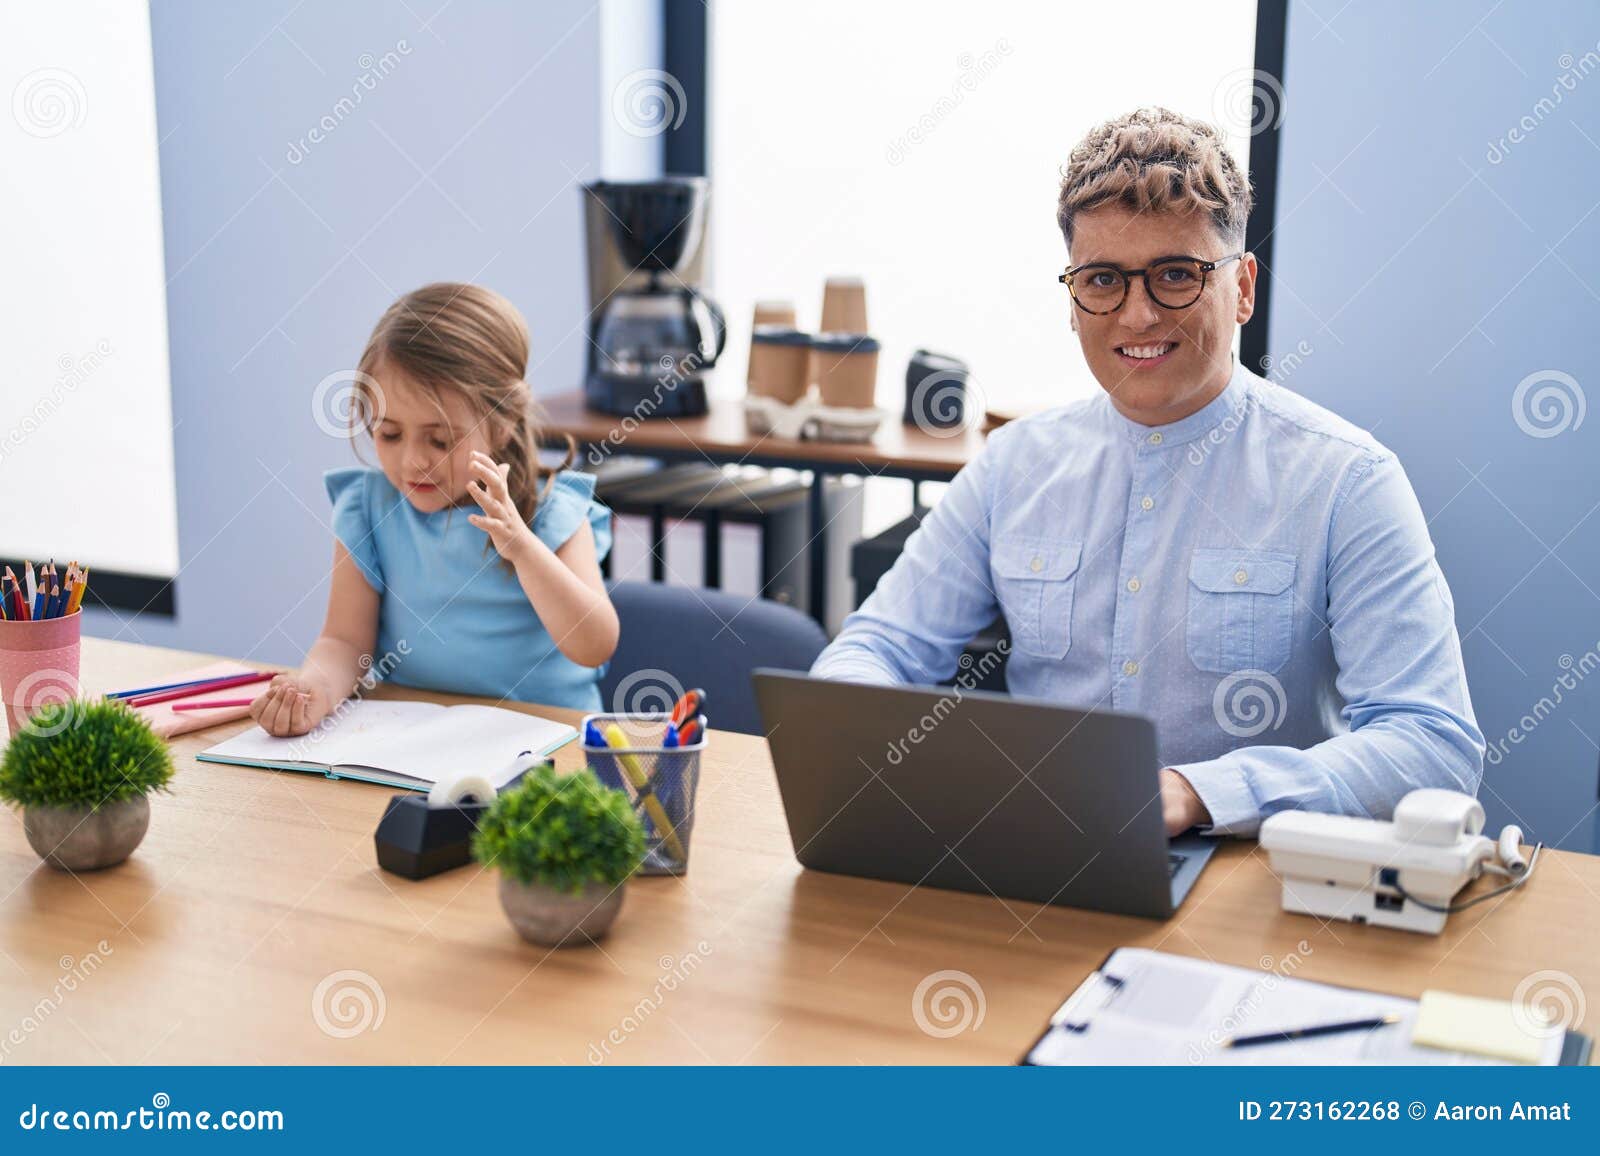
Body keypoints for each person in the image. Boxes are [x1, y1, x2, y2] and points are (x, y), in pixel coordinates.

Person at [812, 107, 1483, 837]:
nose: (1136, 316)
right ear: (1074, 301)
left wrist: (1198, 793)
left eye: (1175, 275)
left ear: (1244, 288)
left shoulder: (1348, 481)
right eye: (1103, 280)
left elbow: (1432, 745)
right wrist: (897, 755)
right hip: (1041, 854)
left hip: (1248, 879)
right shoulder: (1013, 466)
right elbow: (874, 651)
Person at [251, 282, 619, 736]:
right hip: (416, 744)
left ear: (502, 422)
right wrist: (312, 692)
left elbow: (595, 643)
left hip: (546, 745)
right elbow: (345, 642)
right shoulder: (369, 508)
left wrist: (523, 548)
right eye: (388, 435)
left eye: (441, 439)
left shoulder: (550, 512)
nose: (412, 461)